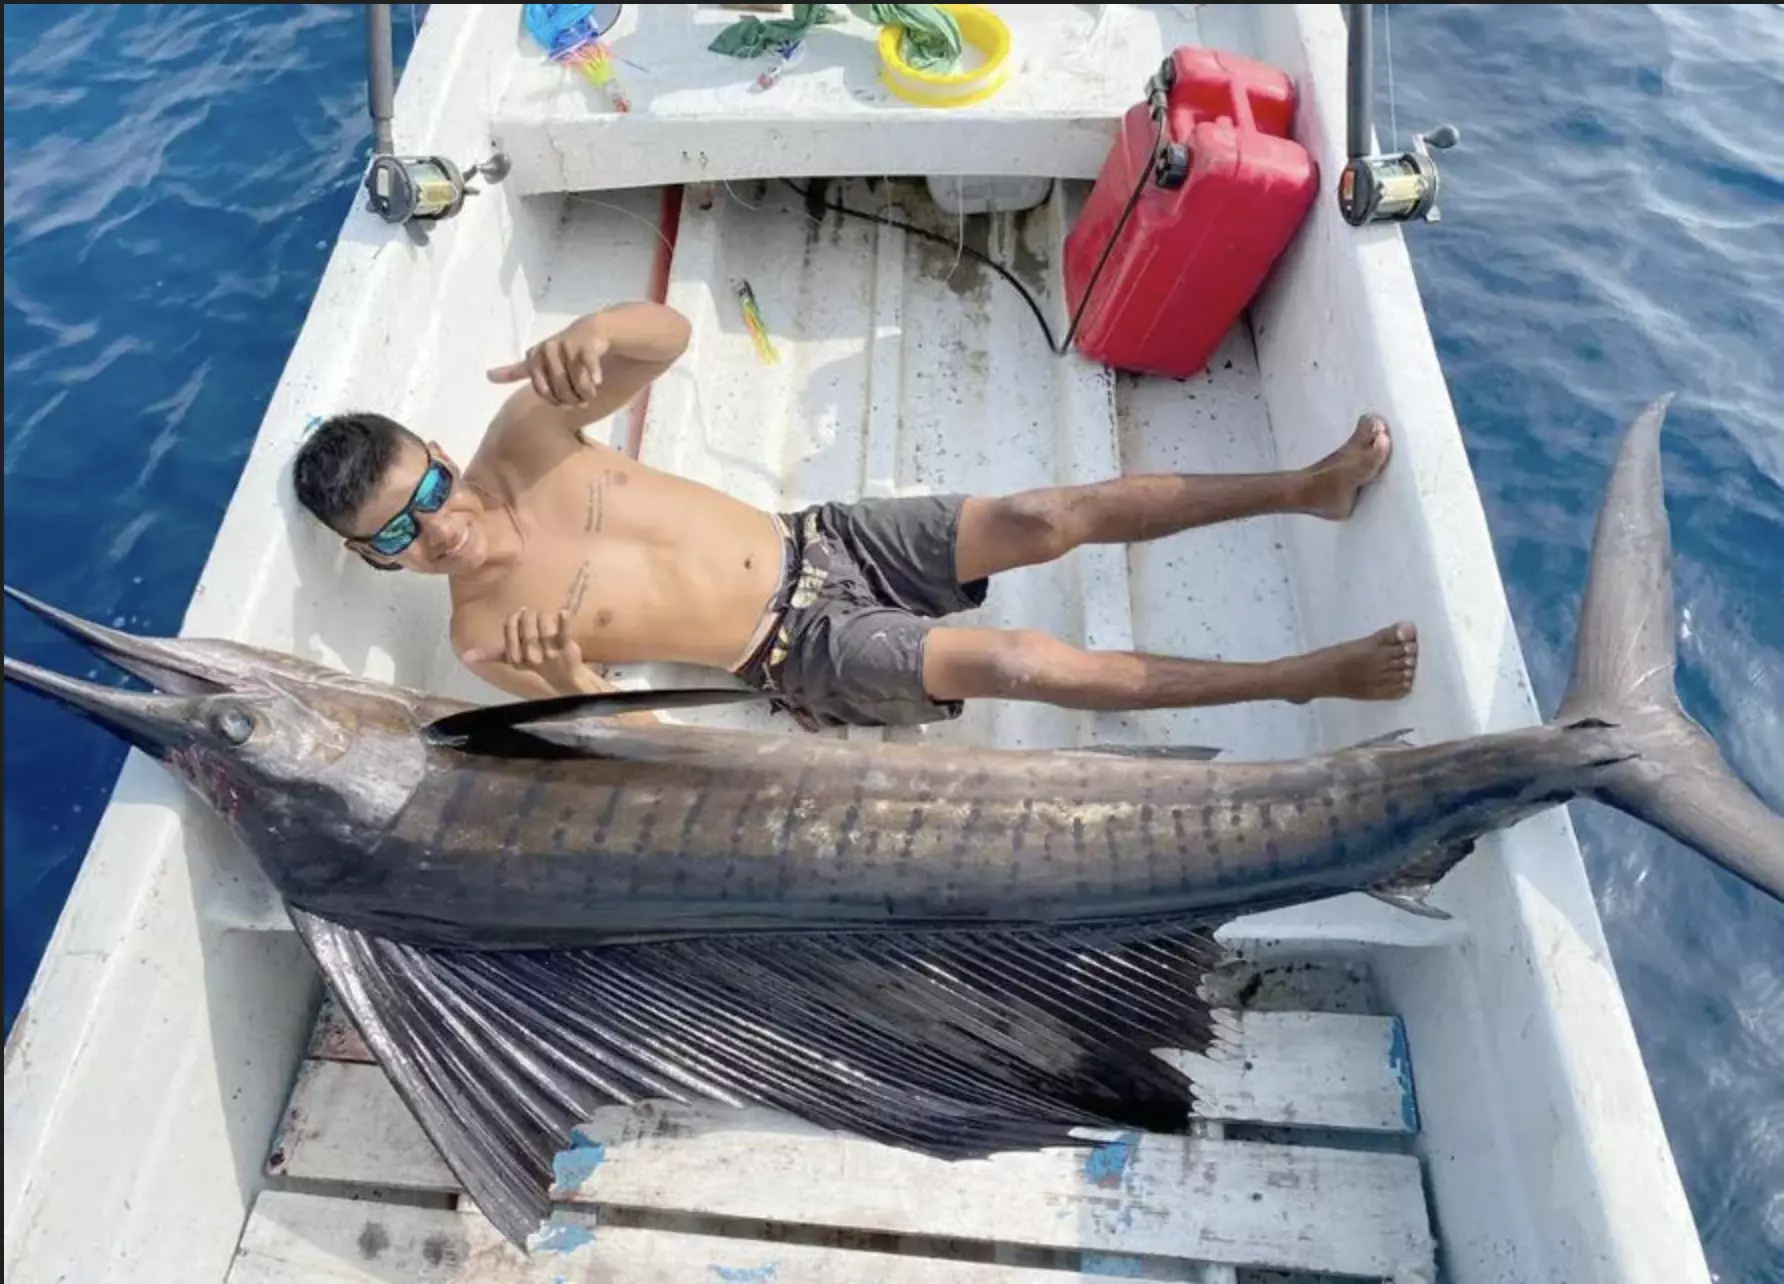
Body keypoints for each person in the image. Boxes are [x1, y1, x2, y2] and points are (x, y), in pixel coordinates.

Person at [290, 301, 1418, 732]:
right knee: (1022, 659)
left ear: (439, 456)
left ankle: (1302, 488)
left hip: (818, 536)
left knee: (1042, 513)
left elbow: (667, 340)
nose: (434, 531)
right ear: (369, 559)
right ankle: (1296, 678)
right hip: (800, 651)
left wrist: (598, 328)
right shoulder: (483, 637)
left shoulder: (525, 435)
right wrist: (574, 688)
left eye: (425, 495)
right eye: (395, 536)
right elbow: (635, 743)